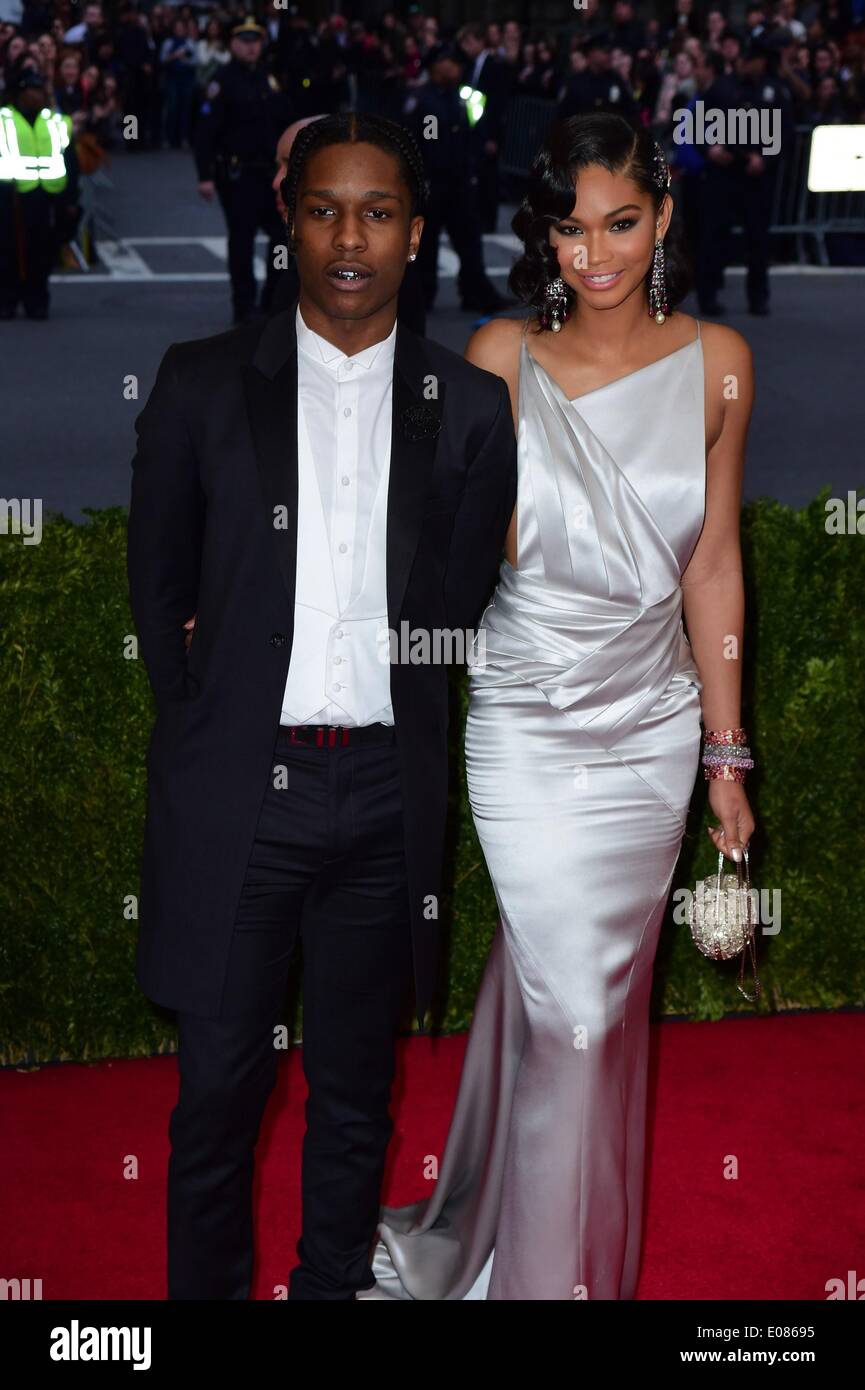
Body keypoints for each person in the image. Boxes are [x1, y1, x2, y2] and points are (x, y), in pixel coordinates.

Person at [357, 113, 757, 1300]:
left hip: (650, 734)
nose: (595, 254)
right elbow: (433, 549)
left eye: (621, 223)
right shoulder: (496, 357)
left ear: (663, 219)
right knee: (576, 1009)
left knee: (580, 1006)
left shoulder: (720, 361)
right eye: (570, 227)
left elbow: (714, 562)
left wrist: (725, 757)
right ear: (542, 232)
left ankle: (499, 1239)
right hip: (527, 720)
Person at [126, 110, 517, 1301]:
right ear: (289, 221)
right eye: (323, 209)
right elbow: (158, 594)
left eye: (379, 212)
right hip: (243, 796)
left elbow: (458, 609)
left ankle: (330, 1287)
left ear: (415, 233)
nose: (350, 236)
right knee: (215, 1102)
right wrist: (219, 712)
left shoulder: (469, 407)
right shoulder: (198, 386)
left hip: (382, 804)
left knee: (356, 1097)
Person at [403, 41, 515, 314]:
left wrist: (473, 166)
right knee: (425, 246)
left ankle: (476, 293)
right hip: (431, 183)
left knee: (469, 241)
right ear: (434, 66)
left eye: (456, 64)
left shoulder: (463, 97)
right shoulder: (422, 99)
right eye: (447, 63)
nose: (454, 69)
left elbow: (473, 133)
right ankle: (421, 297)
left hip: (459, 182)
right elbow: (412, 142)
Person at [193, 17, 291, 323]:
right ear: (233, 44)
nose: (251, 47)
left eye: (256, 41)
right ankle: (244, 303)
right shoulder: (221, 82)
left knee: (282, 237)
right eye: (245, 41)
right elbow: (204, 132)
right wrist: (204, 176)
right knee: (242, 239)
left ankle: (273, 298)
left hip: (270, 173)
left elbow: (284, 119)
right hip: (238, 175)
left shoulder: (268, 78)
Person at [0, 67, 79, 319]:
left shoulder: (54, 121)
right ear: (20, 93)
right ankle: (7, 300)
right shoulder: (4, 119)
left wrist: (70, 198)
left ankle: (37, 300)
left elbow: (70, 160)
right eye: (32, 90)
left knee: (41, 252)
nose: (38, 95)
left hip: (46, 195)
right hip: (9, 196)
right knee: (8, 252)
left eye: (40, 90)